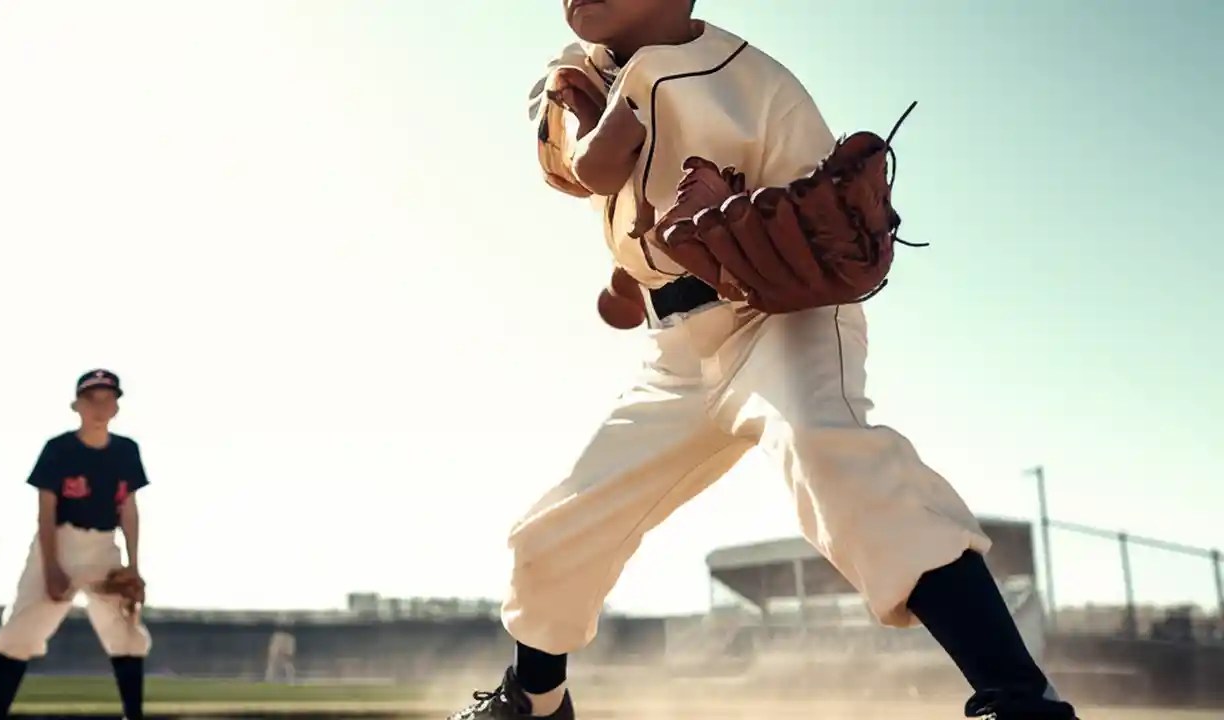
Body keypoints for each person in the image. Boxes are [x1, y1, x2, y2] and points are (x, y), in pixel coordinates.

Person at [448, 2, 1079, 719]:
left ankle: (1022, 698)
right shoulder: (585, 70)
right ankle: (534, 699)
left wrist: (738, 208)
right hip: (678, 353)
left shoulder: (739, 81)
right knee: (566, 520)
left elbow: (819, 228)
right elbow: (610, 190)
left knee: (827, 450)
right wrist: (628, 273)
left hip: (783, 320)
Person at [0, 369, 151, 720]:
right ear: (77, 405)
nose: (100, 406)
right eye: (92, 399)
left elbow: (129, 511)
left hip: (104, 546)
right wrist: (53, 568)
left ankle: (134, 716)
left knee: (125, 630)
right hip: (59, 541)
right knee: (21, 629)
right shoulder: (59, 449)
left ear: (117, 407)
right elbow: (45, 513)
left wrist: (133, 565)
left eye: (108, 399)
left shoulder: (126, 451)